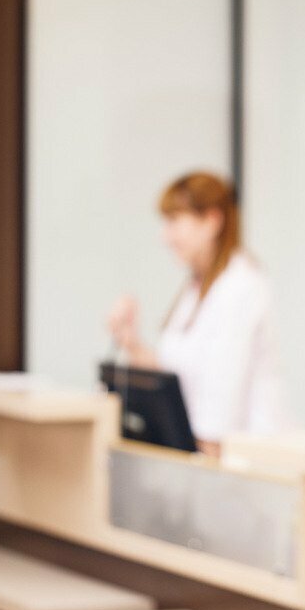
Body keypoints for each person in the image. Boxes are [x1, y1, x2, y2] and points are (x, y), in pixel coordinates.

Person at [108, 172, 285, 457]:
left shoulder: (241, 286)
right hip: (198, 454)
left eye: (174, 221)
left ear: (212, 221)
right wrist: (130, 341)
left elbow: (219, 406)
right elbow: (173, 378)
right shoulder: (197, 289)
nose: (164, 236)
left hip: (244, 463)